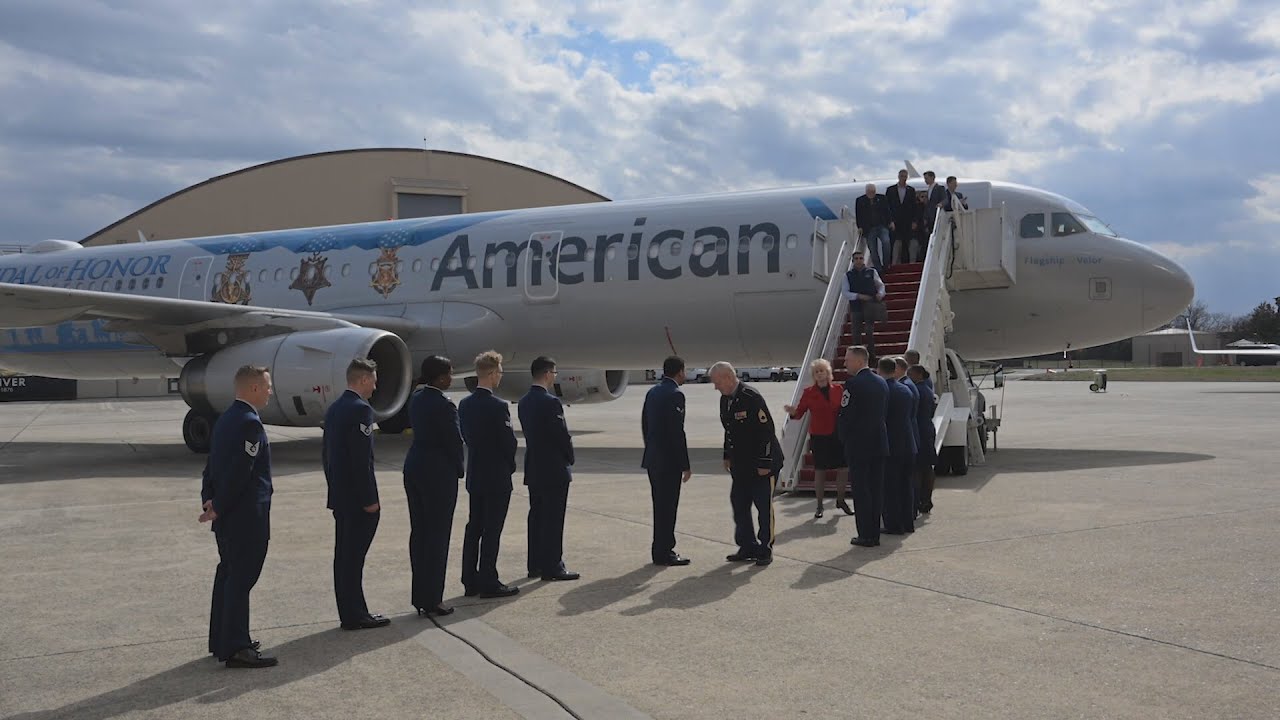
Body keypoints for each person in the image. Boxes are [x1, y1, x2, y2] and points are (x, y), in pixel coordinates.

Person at [199, 365, 277, 668]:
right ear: (254, 388)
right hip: (245, 516)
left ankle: (223, 638)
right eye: (267, 386)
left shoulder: (226, 418)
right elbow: (240, 473)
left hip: (228, 515)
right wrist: (218, 505)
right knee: (241, 579)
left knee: (229, 574)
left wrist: (209, 499)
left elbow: (212, 466)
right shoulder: (249, 423)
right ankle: (237, 647)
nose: (270, 391)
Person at [323, 358, 390, 631]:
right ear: (363, 380)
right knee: (352, 559)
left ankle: (349, 611)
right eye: (373, 381)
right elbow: (361, 461)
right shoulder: (360, 410)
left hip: (341, 496)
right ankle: (356, 614)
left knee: (343, 557)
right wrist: (370, 500)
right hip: (356, 500)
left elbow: (327, 456)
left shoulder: (335, 408)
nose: (375, 387)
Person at [403, 355, 464, 617]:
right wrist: (459, 469)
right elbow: (454, 441)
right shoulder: (444, 405)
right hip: (438, 473)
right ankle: (433, 598)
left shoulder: (416, 399)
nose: (451, 378)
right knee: (438, 536)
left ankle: (420, 595)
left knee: (420, 533)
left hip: (415, 466)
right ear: (439, 378)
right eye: (448, 374)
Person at [458, 350, 519, 598]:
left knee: (474, 528)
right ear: (492, 374)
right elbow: (508, 443)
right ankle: (489, 581)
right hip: (496, 475)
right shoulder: (498, 406)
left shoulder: (464, 404)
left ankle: (469, 579)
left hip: (476, 473)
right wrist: (510, 466)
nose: (500, 377)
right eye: (500, 373)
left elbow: (466, 436)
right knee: (492, 530)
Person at [711, 361, 783, 567]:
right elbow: (729, 430)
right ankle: (747, 545)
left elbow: (767, 432)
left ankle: (765, 548)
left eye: (717, 382)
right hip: (741, 464)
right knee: (739, 504)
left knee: (763, 507)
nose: (715, 387)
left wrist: (765, 462)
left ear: (728, 377)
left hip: (762, 464)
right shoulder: (725, 400)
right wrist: (727, 455)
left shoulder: (751, 397)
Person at [518, 356, 579, 582]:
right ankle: (553, 565)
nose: (554, 377)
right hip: (553, 467)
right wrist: (569, 457)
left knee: (536, 517)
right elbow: (561, 435)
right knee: (553, 519)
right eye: (554, 373)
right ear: (546, 374)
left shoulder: (524, 401)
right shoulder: (550, 402)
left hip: (534, 465)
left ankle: (535, 564)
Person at [783, 358, 852, 519]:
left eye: (822, 371)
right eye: (816, 372)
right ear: (814, 375)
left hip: (837, 434)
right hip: (819, 436)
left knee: (843, 469)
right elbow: (799, 413)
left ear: (828, 373)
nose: (820, 374)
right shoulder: (809, 392)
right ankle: (819, 505)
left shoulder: (838, 389)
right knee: (820, 470)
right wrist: (792, 412)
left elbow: (845, 410)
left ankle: (840, 500)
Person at [641, 356, 693, 566]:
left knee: (659, 506)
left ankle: (659, 550)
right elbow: (677, 433)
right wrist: (685, 464)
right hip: (668, 462)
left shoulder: (653, 392)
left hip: (653, 459)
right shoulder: (675, 394)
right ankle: (665, 551)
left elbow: (645, 424)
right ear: (680, 371)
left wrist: (651, 448)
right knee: (668, 508)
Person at [836, 346, 888, 548]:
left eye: (847, 360)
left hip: (859, 445)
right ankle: (874, 532)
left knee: (861, 490)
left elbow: (845, 415)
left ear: (859, 361)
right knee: (876, 490)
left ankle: (865, 534)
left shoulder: (853, 384)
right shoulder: (881, 382)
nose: (845, 363)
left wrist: (844, 439)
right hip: (879, 443)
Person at [878, 357, 917, 535]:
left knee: (890, 487)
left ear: (880, 370)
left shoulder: (883, 391)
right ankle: (908, 522)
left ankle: (894, 524)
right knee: (906, 486)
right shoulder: (906, 389)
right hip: (908, 443)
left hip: (891, 445)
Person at [840, 251, 886, 357]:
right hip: (856, 307)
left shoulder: (871, 272)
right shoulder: (847, 275)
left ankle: (872, 355)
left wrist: (880, 294)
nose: (859, 261)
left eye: (861, 258)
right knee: (856, 333)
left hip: (870, 306)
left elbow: (880, 285)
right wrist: (858, 296)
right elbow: (845, 292)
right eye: (856, 259)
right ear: (853, 261)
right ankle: (858, 356)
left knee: (869, 331)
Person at [907, 364, 938, 514]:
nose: (909, 377)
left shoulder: (917, 390)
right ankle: (926, 500)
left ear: (918, 374)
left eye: (911, 374)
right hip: (927, 430)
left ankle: (920, 500)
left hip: (920, 432)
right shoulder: (927, 389)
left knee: (919, 468)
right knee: (927, 467)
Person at [893, 356, 921, 519]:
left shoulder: (904, 386)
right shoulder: (909, 384)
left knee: (906, 479)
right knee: (910, 477)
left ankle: (910, 510)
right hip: (911, 434)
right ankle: (912, 509)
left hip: (906, 436)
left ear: (898, 369)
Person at [854, 183, 891, 270]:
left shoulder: (882, 198)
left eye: (873, 191)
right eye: (870, 192)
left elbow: (887, 211)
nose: (872, 193)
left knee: (886, 242)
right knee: (873, 250)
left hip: (881, 226)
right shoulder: (860, 201)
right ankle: (878, 268)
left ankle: (886, 263)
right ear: (866, 192)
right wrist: (860, 227)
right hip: (869, 229)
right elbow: (858, 215)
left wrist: (890, 222)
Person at [884, 169, 917, 265]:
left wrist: (914, 221)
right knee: (895, 242)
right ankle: (894, 263)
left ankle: (907, 263)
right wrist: (890, 220)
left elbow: (914, 206)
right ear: (898, 177)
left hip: (907, 221)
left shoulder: (911, 190)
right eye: (902, 176)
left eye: (905, 176)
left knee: (907, 242)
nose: (903, 178)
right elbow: (887, 206)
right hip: (895, 221)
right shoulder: (890, 190)